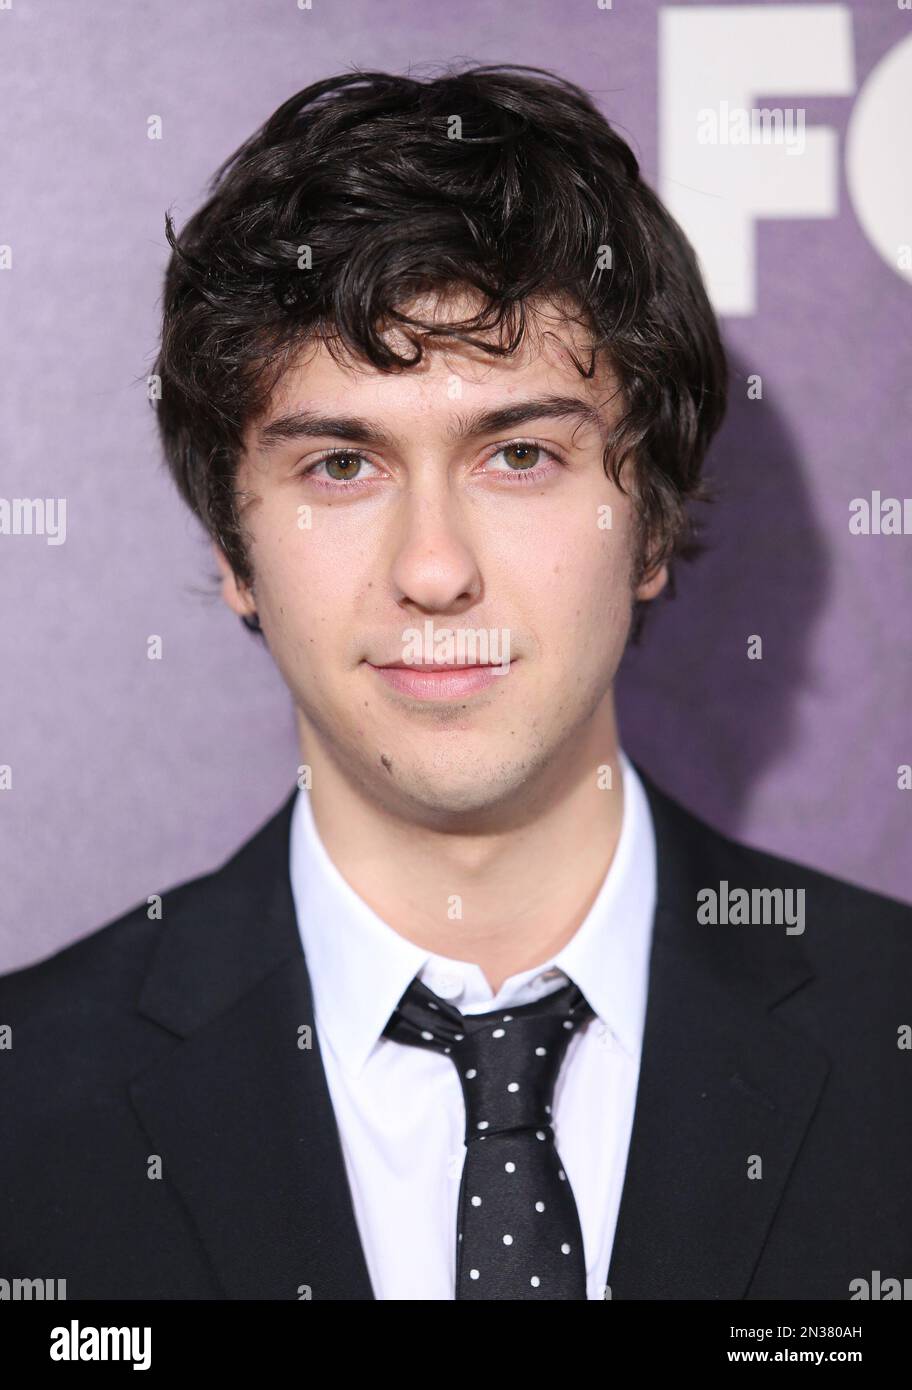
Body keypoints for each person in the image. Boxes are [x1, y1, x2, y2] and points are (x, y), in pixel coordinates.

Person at [2, 64, 910, 1302]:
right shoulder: (28, 1111)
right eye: (339, 466)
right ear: (232, 547)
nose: (433, 570)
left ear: (650, 523)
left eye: (521, 454)